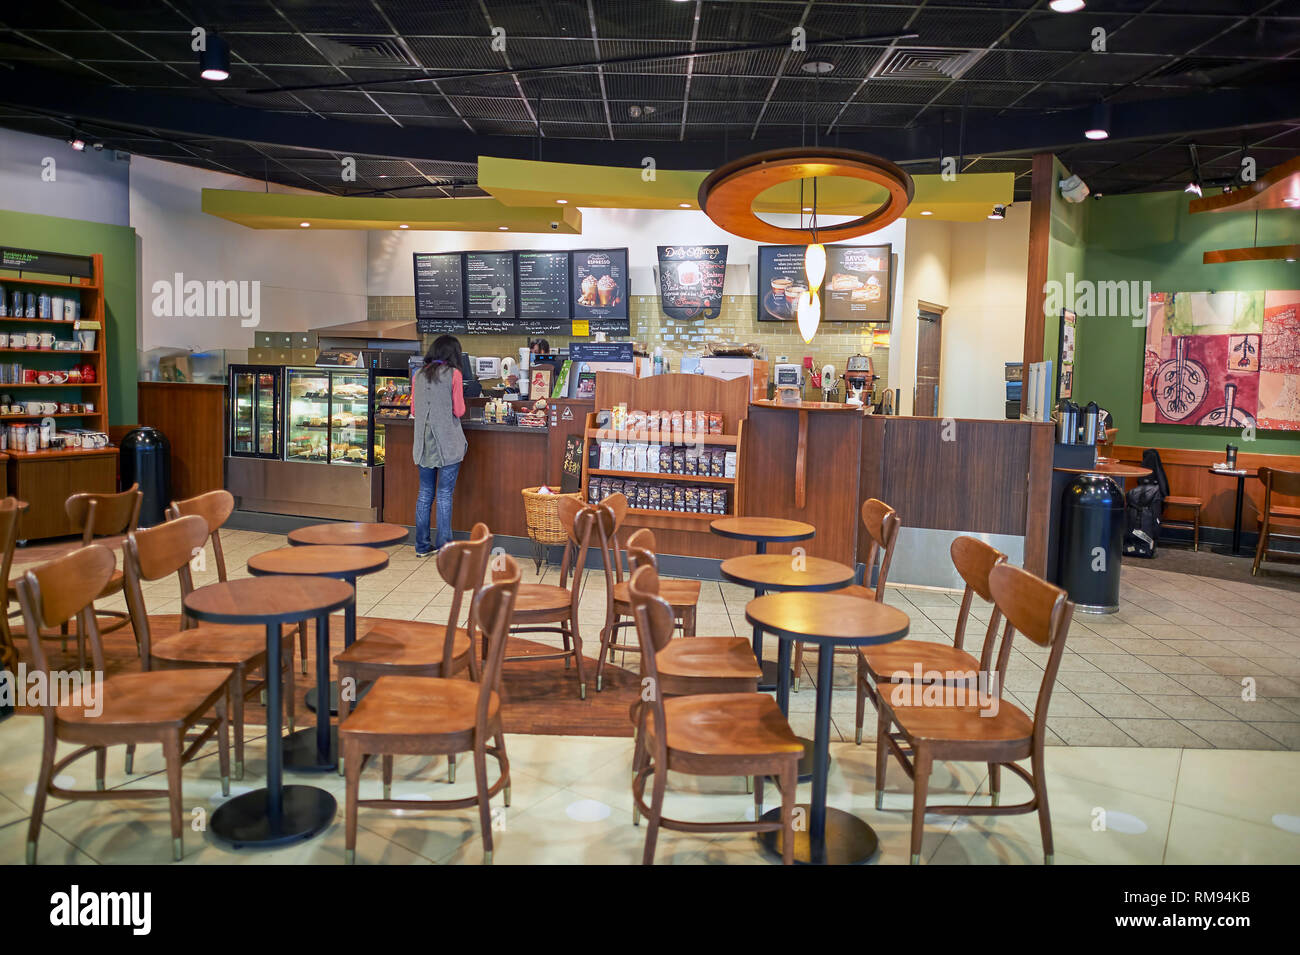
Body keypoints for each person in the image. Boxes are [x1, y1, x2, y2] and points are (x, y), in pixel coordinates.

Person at [412, 335, 467, 557]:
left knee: (425, 494)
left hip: (423, 445)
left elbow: (414, 411)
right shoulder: (454, 375)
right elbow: (460, 410)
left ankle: (422, 546)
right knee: (444, 494)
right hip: (447, 443)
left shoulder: (418, 375)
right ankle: (445, 546)